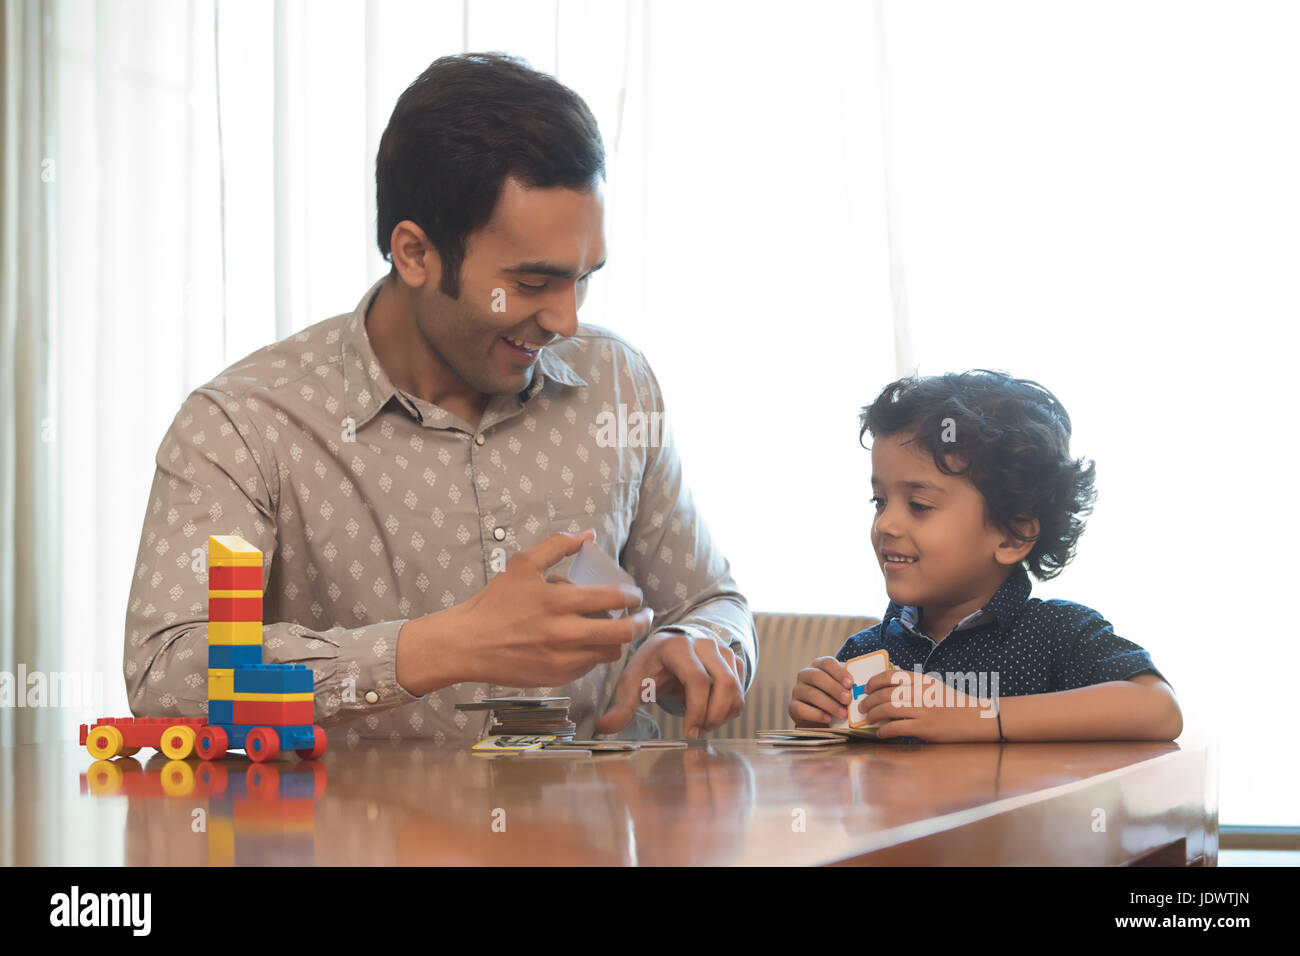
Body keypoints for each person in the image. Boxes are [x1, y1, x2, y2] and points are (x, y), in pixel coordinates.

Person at [123, 52, 755, 744]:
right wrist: (443, 647)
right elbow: (169, 674)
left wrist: (699, 642)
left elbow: (709, 601)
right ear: (416, 254)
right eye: (533, 283)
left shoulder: (617, 385)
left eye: (583, 279)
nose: (566, 321)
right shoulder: (244, 426)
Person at [788, 370, 1181, 741]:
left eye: (919, 505)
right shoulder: (865, 652)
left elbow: (1158, 708)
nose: (886, 524)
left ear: (1013, 535)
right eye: (880, 501)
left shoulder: (1056, 635)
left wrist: (978, 716)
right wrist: (818, 722)